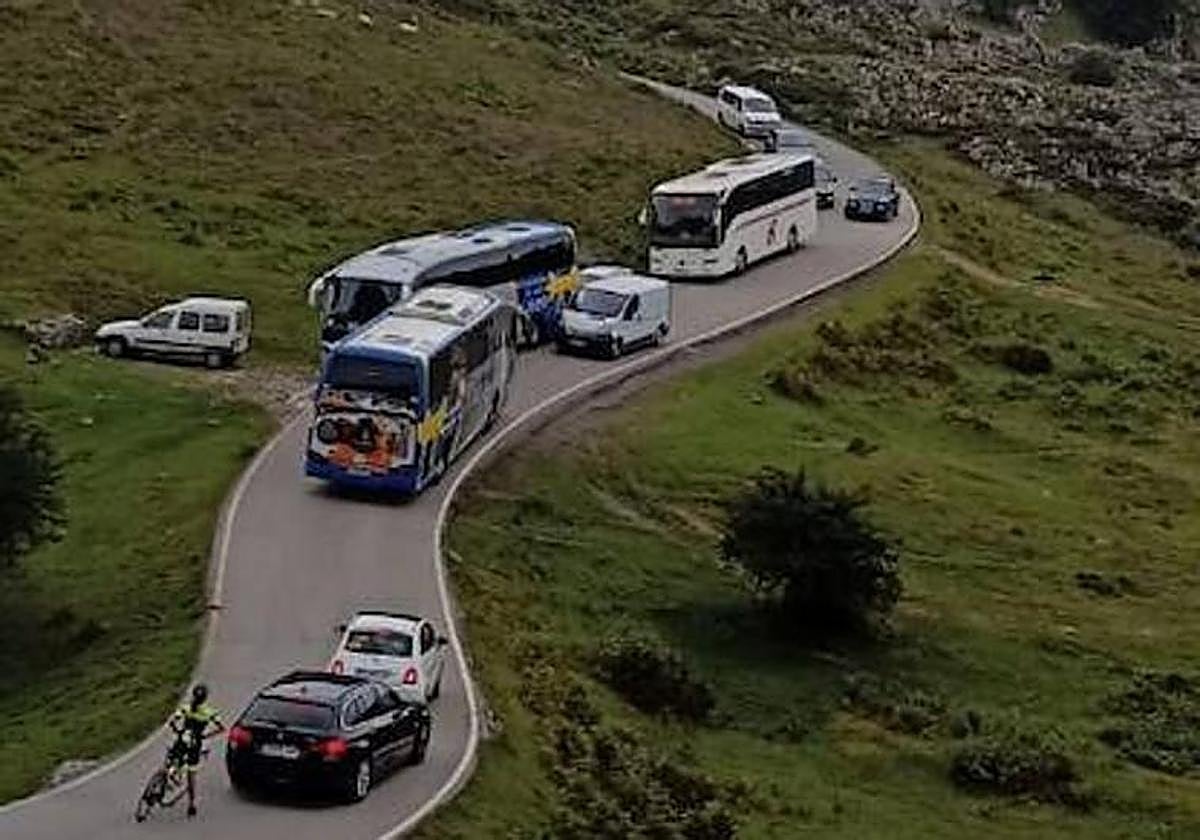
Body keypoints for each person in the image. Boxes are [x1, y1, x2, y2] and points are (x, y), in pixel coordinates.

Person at [169, 684, 224, 818]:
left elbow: (173, 721)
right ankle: (192, 804)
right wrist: (206, 736)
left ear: (193, 695)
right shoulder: (210, 712)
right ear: (205, 698)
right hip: (195, 743)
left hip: (182, 739)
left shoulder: (186, 707)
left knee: (173, 756)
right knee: (191, 773)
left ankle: (170, 773)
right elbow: (221, 728)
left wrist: (176, 729)